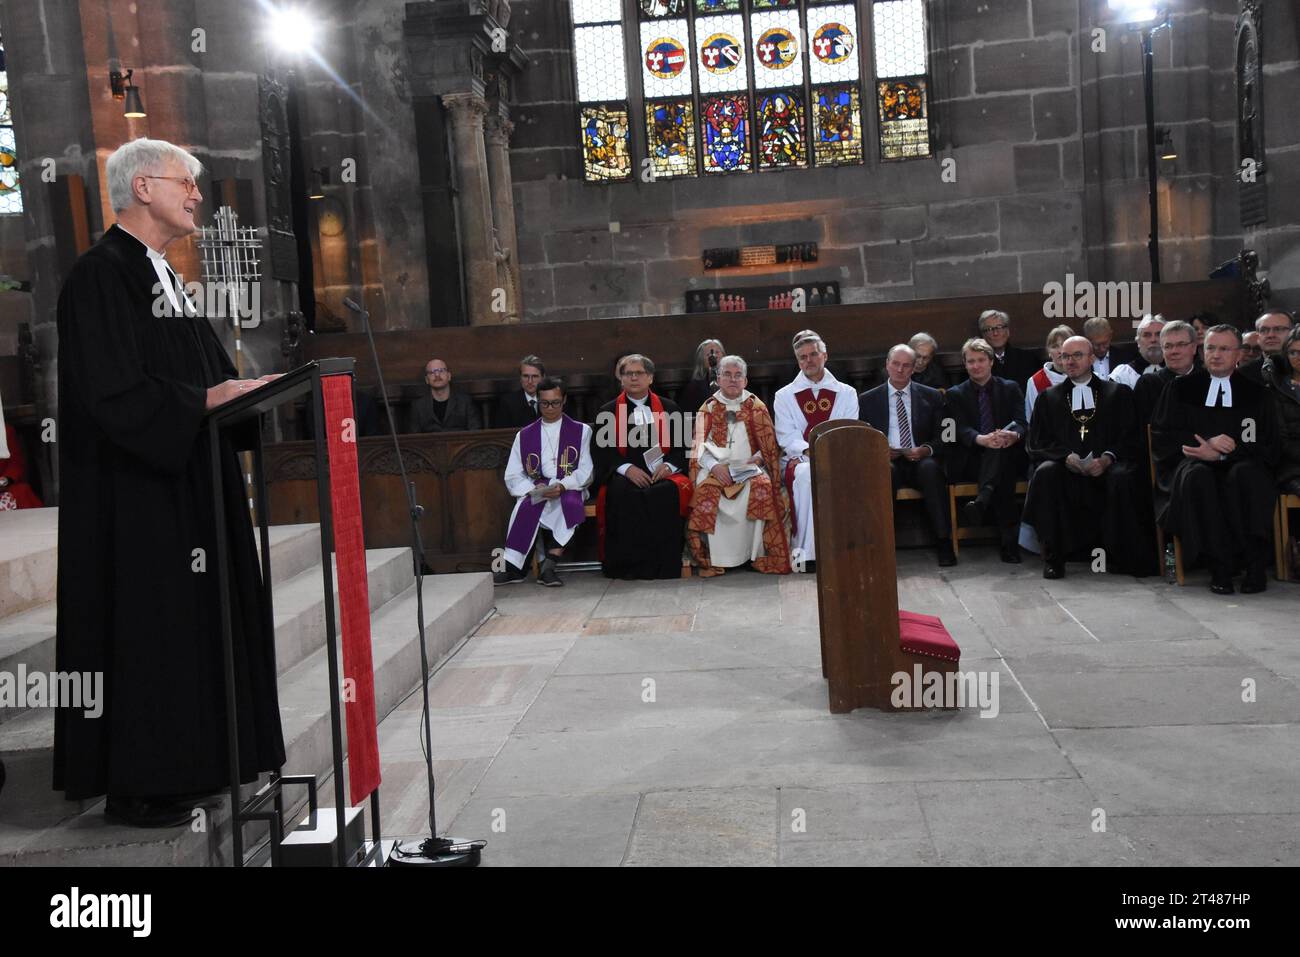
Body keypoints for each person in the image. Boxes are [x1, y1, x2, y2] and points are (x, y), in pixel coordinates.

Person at [53, 138, 285, 827]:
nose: (197, 196)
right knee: (151, 631)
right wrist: (208, 402)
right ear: (143, 187)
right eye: (186, 183)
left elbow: (209, 379)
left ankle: (195, 763)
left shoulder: (163, 276)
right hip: (139, 503)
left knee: (191, 630)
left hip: (189, 489)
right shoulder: (100, 276)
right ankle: (142, 781)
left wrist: (242, 395)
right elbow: (113, 392)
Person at [1151, 325, 1279, 594]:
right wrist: (1206, 444)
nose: (1216, 355)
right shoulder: (1181, 389)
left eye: (1224, 349)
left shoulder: (1256, 394)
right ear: (1202, 351)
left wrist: (1224, 454)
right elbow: (1164, 435)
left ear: (1238, 355)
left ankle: (1254, 567)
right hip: (1193, 462)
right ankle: (1218, 566)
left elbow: (1266, 443)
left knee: (1246, 475)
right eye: (1211, 348)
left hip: (1243, 463)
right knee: (1199, 476)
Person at [1023, 336, 1149, 579]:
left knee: (1123, 477)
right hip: (1066, 471)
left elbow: (1131, 437)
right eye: (1065, 356)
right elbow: (1036, 442)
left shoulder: (1117, 393)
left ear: (1091, 358)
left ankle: (1123, 555)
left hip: (1106, 469)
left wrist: (1107, 459)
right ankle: (1054, 558)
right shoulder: (1048, 398)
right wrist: (1065, 457)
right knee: (1046, 473)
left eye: (1077, 355)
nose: (1070, 361)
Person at [686, 356, 792, 576]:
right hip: (715, 468)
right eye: (727, 375)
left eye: (738, 375)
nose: (733, 380)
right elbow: (699, 448)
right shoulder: (708, 408)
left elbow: (769, 445)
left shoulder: (757, 407)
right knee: (707, 491)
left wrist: (759, 458)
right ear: (718, 379)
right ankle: (716, 558)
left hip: (748, 470)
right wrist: (715, 466)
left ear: (745, 380)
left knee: (762, 485)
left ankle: (753, 554)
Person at [593, 354, 691, 579]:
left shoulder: (670, 408)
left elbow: (684, 448)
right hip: (626, 475)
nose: (634, 378)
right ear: (621, 378)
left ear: (650, 378)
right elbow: (602, 453)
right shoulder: (607, 411)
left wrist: (668, 466)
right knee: (622, 492)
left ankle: (665, 566)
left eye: (639, 373)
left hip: (662, 474)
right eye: (628, 373)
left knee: (666, 493)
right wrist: (627, 468)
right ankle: (629, 568)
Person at [493, 378, 593, 587]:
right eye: (544, 403)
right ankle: (514, 568)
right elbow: (513, 475)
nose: (549, 408)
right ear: (537, 401)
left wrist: (563, 485)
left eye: (555, 402)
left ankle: (549, 566)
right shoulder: (525, 435)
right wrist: (533, 488)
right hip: (538, 488)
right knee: (526, 506)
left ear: (564, 400)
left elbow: (586, 469)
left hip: (569, 486)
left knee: (571, 504)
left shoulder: (581, 430)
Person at [860, 344, 954, 566]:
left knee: (931, 469)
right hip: (888, 460)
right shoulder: (867, 399)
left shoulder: (933, 396)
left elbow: (946, 437)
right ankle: (881, 546)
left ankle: (943, 541)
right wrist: (880, 452)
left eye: (906, 366)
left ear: (914, 369)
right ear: (887, 365)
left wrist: (926, 450)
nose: (900, 370)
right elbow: (861, 438)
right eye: (896, 364)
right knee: (885, 473)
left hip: (919, 458)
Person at [774, 330, 860, 565]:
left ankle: (845, 551)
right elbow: (786, 436)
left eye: (813, 354)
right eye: (802, 357)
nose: (808, 361)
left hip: (838, 456)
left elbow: (848, 429)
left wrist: (827, 452)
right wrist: (810, 451)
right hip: (800, 458)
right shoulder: (784, 396)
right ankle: (806, 555)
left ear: (825, 356)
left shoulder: (847, 393)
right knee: (806, 476)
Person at [942, 338, 1027, 563]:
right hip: (972, 457)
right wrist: (980, 439)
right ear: (965, 364)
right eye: (971, 361)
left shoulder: (1010, 387)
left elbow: (1022, 421)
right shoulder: (955, 394)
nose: (976, 366)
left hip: (1007, 451)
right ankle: (1009, 544)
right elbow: (953, 429)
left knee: (1001, 455)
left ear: (991, 362)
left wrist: (1012, 435)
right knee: (998, 460)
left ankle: (982, 500)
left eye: (981, 360)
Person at [1263, 327, 1300, 495]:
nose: (1298, 357)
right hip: (1292, 468)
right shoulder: (1276, 389)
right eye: (1293, 352)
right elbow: (1281, 439)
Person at [408, 359, 482, 433]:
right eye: (432, 372)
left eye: (441, 370)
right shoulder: (418, 406)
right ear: (427, 379)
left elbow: (475, 432)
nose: (437, 375)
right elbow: (414, 437)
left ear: (449, 376)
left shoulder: (465, 402)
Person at [1023, 325, 1075, 424]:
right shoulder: (1035, 381)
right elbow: (1032, 421)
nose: (1060, 351)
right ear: (1049, 352)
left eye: (1064, 345)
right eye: (1055, 346)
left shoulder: (1089, 376)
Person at [977, 309, 1040, 389]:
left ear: (1007, 331)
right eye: (989, 329)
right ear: (983, 335)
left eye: (999, 327)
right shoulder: (978, 364)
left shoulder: (1028, 359)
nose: (995, 333)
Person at [1109, 314, 1165, 390]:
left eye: (1159, 334)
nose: (1153, 340)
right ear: (1138, 341)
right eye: (1147, 335)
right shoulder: (1123, 375)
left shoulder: (1180, 369)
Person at [1237, 309, 1295, 383]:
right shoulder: (1242, 375)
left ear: (1292, 332)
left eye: (1278, 329)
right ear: (1258, 336)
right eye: (1264, 330)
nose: (1271, 335)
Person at [494, 355, 546, 430]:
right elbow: (502, 436)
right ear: (520, 378)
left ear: (543, 378)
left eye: (535, 376)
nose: (530, 381)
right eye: (525, 376)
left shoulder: (551, 400)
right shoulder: (508, 403)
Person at [0, 422, 43, 510]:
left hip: (4, 488)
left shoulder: (5, 431)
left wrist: (4, 481)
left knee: (22, 493)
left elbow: (15, 463)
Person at [677, 339, 725, 416]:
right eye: (709, 354)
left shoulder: (734, 381)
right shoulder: (693, 388)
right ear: (701, 360)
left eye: (717, 352)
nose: (714, 356)